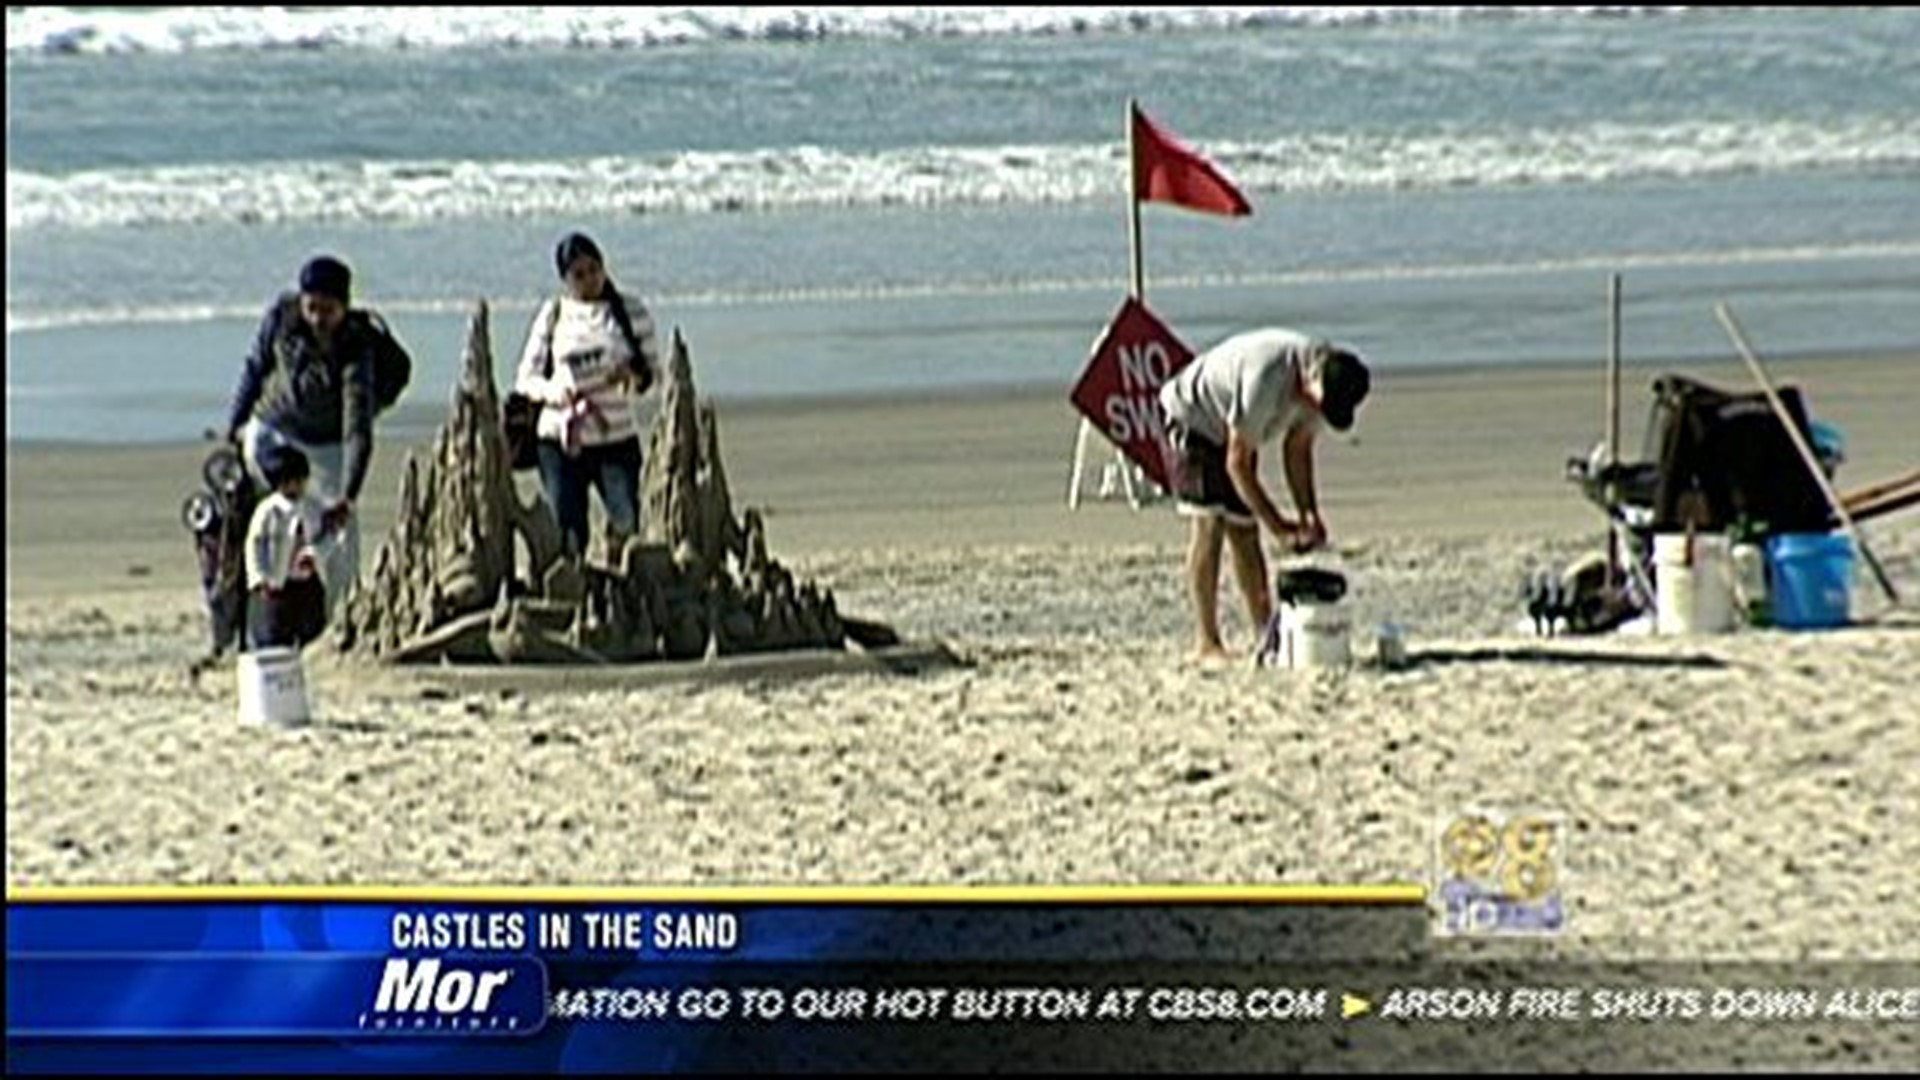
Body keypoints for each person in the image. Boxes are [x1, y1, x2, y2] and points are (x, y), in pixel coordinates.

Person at [1157, 327, 1372, 662]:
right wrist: (1278, 527)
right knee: (1210, 524)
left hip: (1233, 430)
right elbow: (1237, 463)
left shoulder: (1325, 386)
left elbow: (1297, 450)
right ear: (1312, 381)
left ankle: (1265, 633)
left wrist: (1308, 515)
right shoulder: (1268, 377)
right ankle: (1207, 641)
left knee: (1244, 529)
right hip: (1191, 418)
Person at [225, 255, 383, 614]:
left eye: (328, 310)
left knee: (339, 535)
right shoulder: (282, 318)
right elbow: (254, 367)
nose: (318, 318)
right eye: (311, 307)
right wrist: (234, 423)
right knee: (268, 507)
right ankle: (259, 592)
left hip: (328, 445)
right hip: (275, 430)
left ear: (344, 306)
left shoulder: (356, 345)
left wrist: (349, 494)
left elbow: (358, 425)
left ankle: (339, 613)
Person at [514, 232, 661, 557]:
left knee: (627, 520)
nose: (589, 280)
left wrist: (632, 376)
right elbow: (526, 379)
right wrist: (556, 392)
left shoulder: (631, 312)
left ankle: (621, 585)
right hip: (561, 439)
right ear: (566, 279)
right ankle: (572, 588)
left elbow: (654, 375)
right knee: (569, 530)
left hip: (615, 436)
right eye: (579, 274)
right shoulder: (554, 314)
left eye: (594, 269)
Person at [243, 444, 330, 650]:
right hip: (277, 581)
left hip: (306, 580)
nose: (299, 486)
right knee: (275, 629)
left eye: (302, 481)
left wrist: (314, 554)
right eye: (293, 482)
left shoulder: (312, 507)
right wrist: (259, 577)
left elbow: (324, 538)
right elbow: (255, 545)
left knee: (311, 624)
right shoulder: (268, 511)